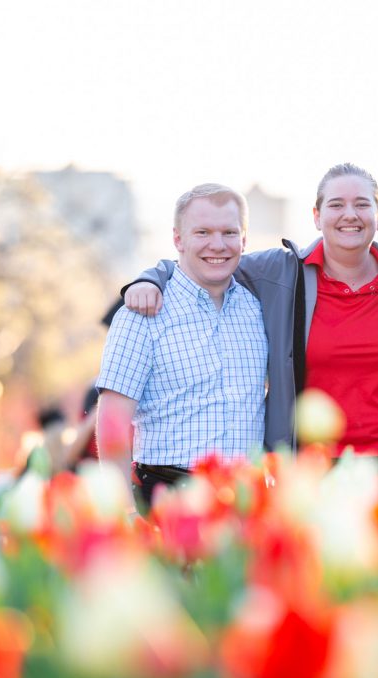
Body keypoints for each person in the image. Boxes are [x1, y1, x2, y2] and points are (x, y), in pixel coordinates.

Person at [122, 163, 378, 459]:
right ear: (317, 217)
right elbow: (211, 258)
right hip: (317, 468)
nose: (349, 215)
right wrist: (150, 277)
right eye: (336, 205)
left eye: (362, 204)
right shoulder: (283, 273)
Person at [95, 183, 268, 512]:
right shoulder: (142, 314)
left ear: (243, 239)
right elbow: (112, 422)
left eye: (229, 232)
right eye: (202, 232)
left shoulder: (258, 308)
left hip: (245, 503)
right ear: (178, 238)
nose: (217, 245)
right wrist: (124, 514)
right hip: (168, 498)